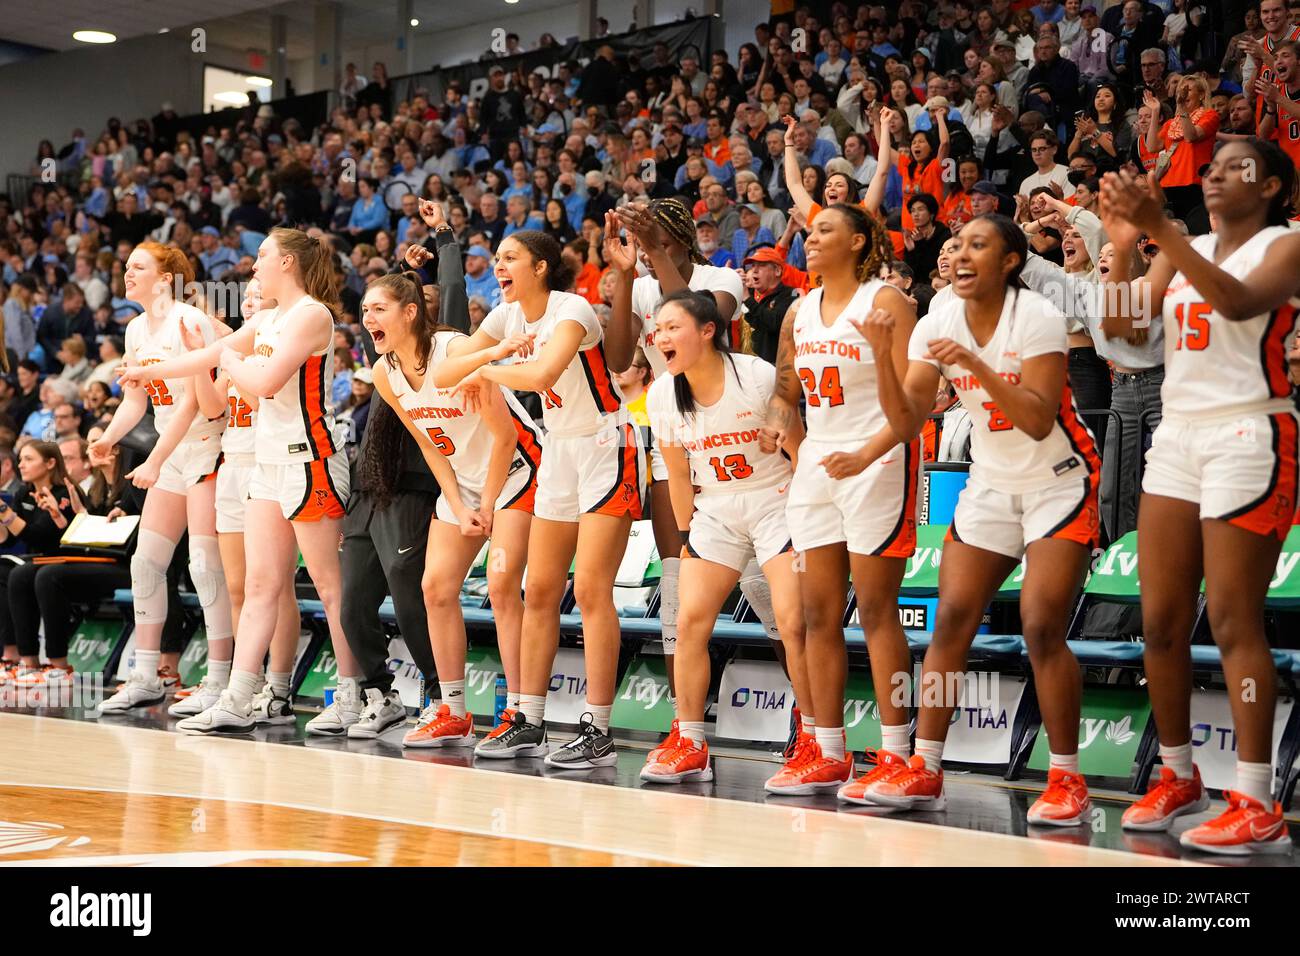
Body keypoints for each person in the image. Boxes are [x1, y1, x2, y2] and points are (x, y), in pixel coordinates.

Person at [857, 214, 1100, 826]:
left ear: (1010, 261)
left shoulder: (1037, 316)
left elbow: (1039, 419)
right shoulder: (937, 317)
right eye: (956, 244)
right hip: (990, 484)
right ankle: (927, 768)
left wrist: (974, 361)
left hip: (1058, 480)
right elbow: (909, 417)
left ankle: (1068, 779)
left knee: (1042, 627)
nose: (960, 254)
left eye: (978, 245)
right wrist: (886, 359)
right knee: (951, 624)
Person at [1100, 142, 1299, 854]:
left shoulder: (1287, 243)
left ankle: (1254, 795)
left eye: (1234, 165)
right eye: (1209, 165)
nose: (1214, 172)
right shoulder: (1181, 248)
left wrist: (1166, 232)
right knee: (1158, 622)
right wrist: (1125, 248)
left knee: (1236, 620)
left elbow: (1238, 300)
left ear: (1272, 185)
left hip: (1250, 426)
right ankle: (1179, 774)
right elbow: (1124, 332)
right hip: (1178, 433)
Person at [119, 228, 358, 736]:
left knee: (329, 588)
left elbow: (262, 381)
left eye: (262, 255)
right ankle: (237, 696)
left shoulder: (312, 314)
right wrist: (142, 369)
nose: (254, 264)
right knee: (258, 584)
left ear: (288, 263)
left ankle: (355, 695)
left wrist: (225, 357)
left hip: (308, 459)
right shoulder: (268, 317)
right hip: (266, 466)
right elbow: (205, 361)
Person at [430, 230, 643, 767]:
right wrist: (491, 355)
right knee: (541, 590)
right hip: (560, 452)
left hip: (605, 444)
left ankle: (598, 730)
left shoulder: (571, 310)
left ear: (541, 267)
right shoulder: (505, 318)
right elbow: (441, 372)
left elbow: (543, 372)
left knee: (592, 590)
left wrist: (485, 369)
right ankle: (529, 719)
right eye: (496, 259)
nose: (497, 267)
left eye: (509, 259)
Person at [602, 197, 779, 746]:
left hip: (746, 446)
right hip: (678, 441)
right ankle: (687, 729)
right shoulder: (644, 284)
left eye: (655, 241)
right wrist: (627, 277)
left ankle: (809, 721)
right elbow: (614, 358)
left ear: (672, 237)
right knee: (679, 597)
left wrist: (653, 249)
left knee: (772, 601)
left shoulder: (720, 278)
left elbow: (715, 320)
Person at [760, 202, 922, 798]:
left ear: (859, 241)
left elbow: (912, 400)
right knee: (814, 615)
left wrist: (865, 454)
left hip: (878, 457)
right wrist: (781, 429)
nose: (810, 238)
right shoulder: (799, 311)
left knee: (878, 611)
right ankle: (830, 751)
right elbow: (785, 390)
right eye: (808, 230)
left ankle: (899, 753)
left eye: (825, 230)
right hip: (817, 464)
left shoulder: (885, 302)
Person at [366, 268, 540, 746]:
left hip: (516, 474)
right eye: (364, 311)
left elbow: (505, 437)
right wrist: (461, 507)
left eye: (378, 309)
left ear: (409, 312)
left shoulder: (457, 352)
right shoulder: (385, 372)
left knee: (504, 588)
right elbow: (427, 443)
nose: (368, 319)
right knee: (435, 588)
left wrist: (486, 505)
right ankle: (454, 710)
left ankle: (523, 715)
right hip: (462, 483)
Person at [639, 290, 807, 784]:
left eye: (672, 327)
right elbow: (673, 474)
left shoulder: (754, 376)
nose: (661, 337)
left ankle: (816, 736)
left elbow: (798, 451)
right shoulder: (662, 394)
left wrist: (808, 514)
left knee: (793, 622)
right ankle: (690, 740)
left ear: (708, 330)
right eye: (659, 329)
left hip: (776, 497)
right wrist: (688, 536)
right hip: (715, 508)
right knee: (689, 621)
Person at [92, 242, 234, 715]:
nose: (127, 273)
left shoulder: (189, 321)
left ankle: (219, 679)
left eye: (138, 267)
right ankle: (146, 674)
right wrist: (109, 440)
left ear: (166, 277)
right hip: (172, 453)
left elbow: (196, 400)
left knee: (203, 566)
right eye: (126, 266)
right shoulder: (135, 329)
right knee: (145, 563)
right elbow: (137, 401)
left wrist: (154, 458)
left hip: (208, 446)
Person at [166, 279, 302, 723]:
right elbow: (211, 409)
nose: (248, 300)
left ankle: (279, 689)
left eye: (257, 295)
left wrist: (227, 354)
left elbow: (264, 399)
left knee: (275, 588)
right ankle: (249, 684)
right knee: (239, 587)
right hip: (233, 464)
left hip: (271, 464)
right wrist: (198, 365)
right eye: (245, 295)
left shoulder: (276, 350)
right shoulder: (236, 355)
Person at [0, 442, 78, 678]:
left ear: (50, 463)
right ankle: (21, 659)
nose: (21, 464)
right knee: (3, 568)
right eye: (20, 459)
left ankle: (51, 663)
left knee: (21, 574)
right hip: (38, 560)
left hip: (66, 558)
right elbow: (9, 541)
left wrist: (4, 511)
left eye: (28, 459)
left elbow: (41, 537)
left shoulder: (65, 492)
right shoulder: (24, 493)